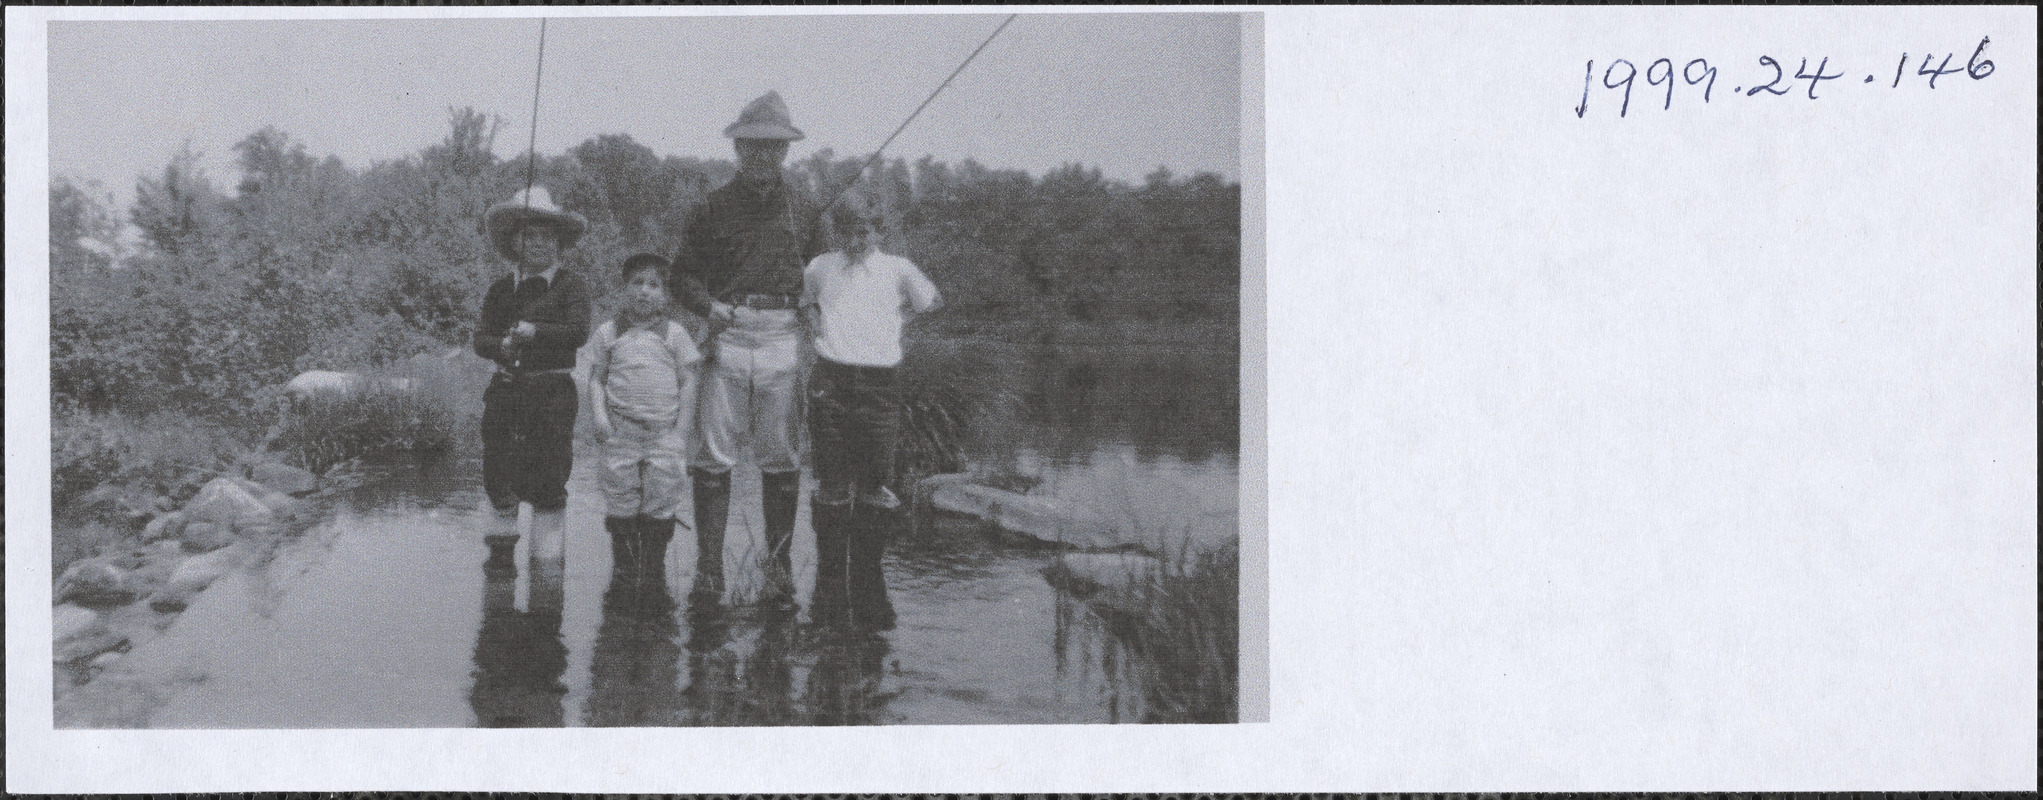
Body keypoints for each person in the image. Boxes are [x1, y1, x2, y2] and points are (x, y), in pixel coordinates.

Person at [669, 91, 827, 607]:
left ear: (786, 152)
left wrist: (813, 316)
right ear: (738, 147)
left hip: (783, 337)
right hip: (728, 333)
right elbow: (681, 275)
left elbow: (827, 277)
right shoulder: (713, 206)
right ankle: (710, 570)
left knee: (780, 456)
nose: (764, 155)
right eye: (754, 146)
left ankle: (778, 567)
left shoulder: (806, 208)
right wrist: (706, 305)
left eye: (774, 147)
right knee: (713, 457)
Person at [801, 197, 942, 630]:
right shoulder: (820, 266)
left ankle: (866, 574)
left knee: (876, 479)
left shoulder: (898, 268)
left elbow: (932, 302)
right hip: (831, 379)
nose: (856, 239)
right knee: (832, 480)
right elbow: (805, 300)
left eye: (864, 231)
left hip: (881, 385)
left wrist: (896, 321)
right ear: (838, 232)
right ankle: (828, 579)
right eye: (848, 230)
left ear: (878, 232)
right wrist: (813, 320)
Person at [473, 185, 593, 564]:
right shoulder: (498, 289)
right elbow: (480, 338)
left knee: (549, 479)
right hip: (506, 393)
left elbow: (578, 333)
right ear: (513, 242)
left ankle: (547, 582)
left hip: (553, 393)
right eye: (529, 235)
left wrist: (535, 332)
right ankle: (499, 575)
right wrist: (500, 346)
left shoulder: (571, 284)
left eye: (547, 236)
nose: (539, 243)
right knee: (500, 475)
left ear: (559, 243)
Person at [588, 253, 701, 584]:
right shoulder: (608, 333)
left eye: (654, 285)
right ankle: (624, 569)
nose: (644, 291)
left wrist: (681, 431)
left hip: (663, 435)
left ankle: (653, 571)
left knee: (661, 501)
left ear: (664, 294)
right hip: (620, 434)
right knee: (621, 501)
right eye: (636, 283)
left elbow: (689, 381)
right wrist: (599, 419)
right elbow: (596, 379)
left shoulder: (675, 334)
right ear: (624, 289)